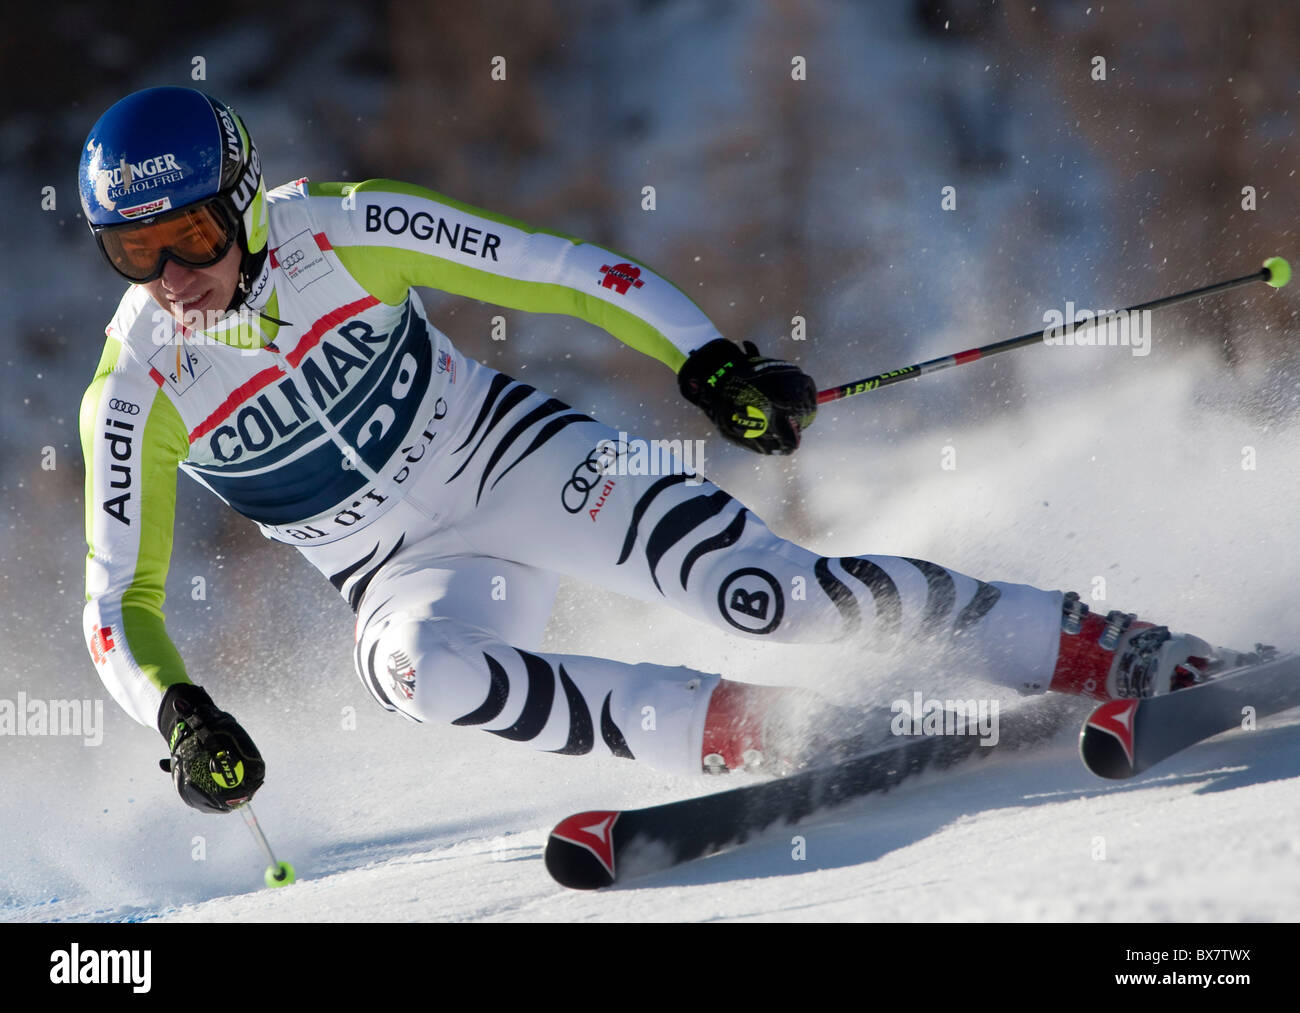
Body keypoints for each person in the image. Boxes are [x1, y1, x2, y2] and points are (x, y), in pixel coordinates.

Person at [78, 86, 1227, 815]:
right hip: (398, 572)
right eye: (137, 252)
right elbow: (113, 601)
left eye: (191, 234)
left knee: (781, 599)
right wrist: (178, 713)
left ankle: (1097, 644)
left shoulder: (345, 225)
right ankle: (763, 733)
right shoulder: (137, 388)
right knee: (418, 673)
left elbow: (565, 270)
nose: (174, 278)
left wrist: (709, 363)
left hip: (510, 459)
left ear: (245, 202)